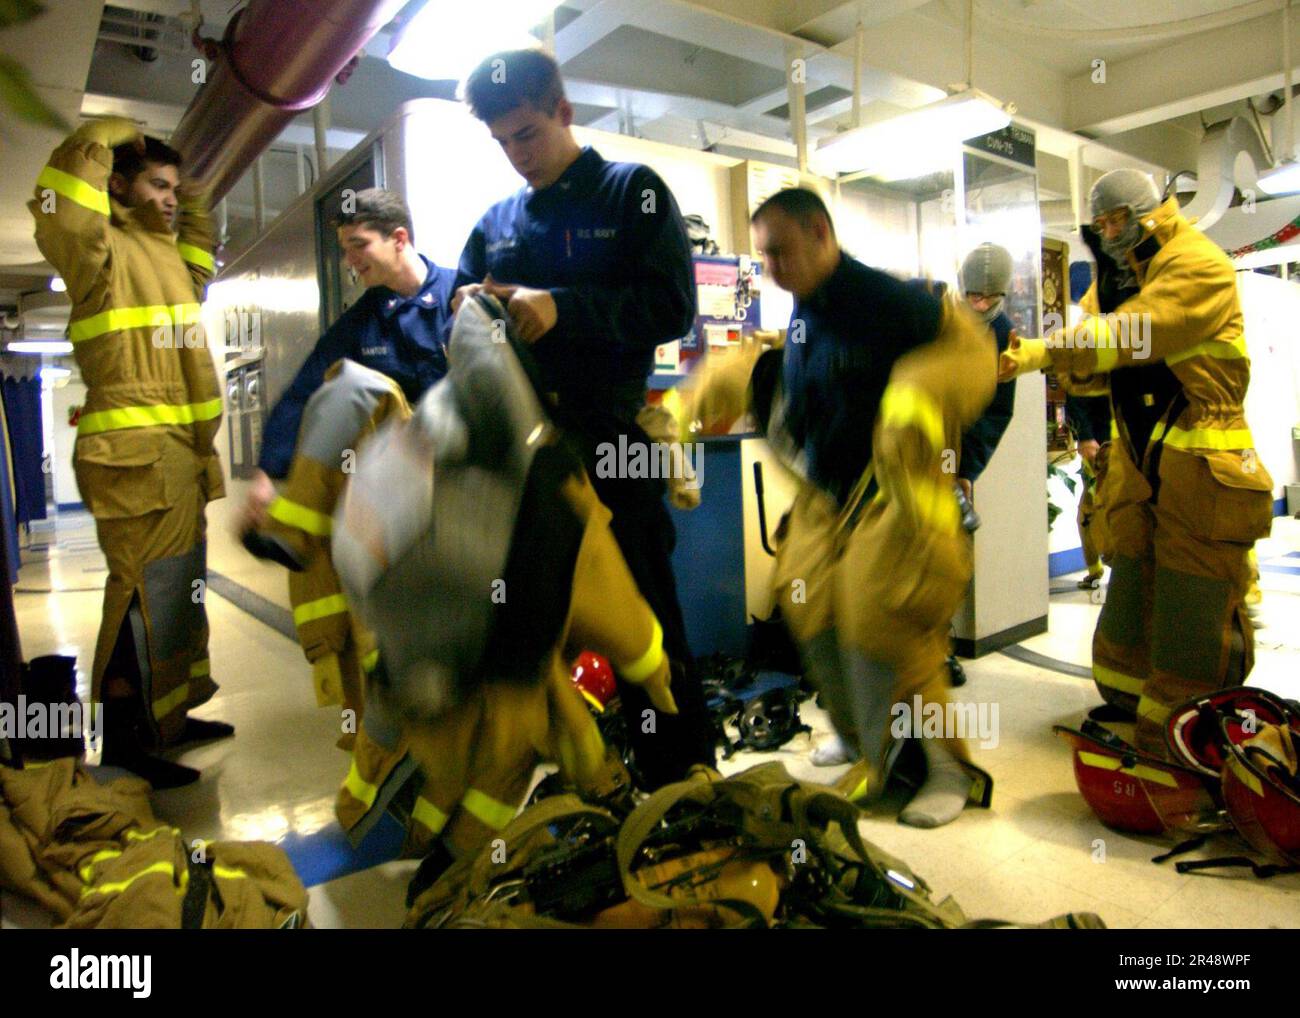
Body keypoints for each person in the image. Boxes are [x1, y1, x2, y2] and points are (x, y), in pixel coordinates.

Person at [676, 188, 997, 827]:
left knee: (886, 628)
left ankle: (945, 768)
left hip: (895, 500)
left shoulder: (887, 300)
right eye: (763, 253)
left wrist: (916, 397)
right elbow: (791, 380)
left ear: (821, 233)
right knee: (808, 607)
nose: (770, 264)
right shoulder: (805, 312)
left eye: (779, 250)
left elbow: (972, 355)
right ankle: (861, 739)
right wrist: (689, 409)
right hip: (830, 505)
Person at [452, 47, 714, 788]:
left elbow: (671, 306)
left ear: (565, 111)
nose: (515, 156)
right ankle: (580, 776)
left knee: (641, 620)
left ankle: (682, 782)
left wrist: (563, 305)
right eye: (501, 142)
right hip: (525, 459)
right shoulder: (496, 221)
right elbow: (465, 298)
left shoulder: (630, 194)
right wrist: (464, 303)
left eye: (527, 134)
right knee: (533, 627)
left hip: (610, 442)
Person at [1000, 169, 1274, 756]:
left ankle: (1187, 733)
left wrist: (1047, 352)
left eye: (1116, 219)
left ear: (1149, 212)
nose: (1108, 232)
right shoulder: (1113, 282)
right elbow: (1099, 366)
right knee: (1131, 593)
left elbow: (1135, 335)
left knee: (1190, 604)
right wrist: (1068, 366)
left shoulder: (1199, 263)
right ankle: (1129, 701)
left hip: (1202, 457)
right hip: (1141, 459)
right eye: (1099, 224)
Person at [29, 117, 229, 787]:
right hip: (135, 452)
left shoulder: (168, 258)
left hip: (179, 455)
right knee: (142, 596)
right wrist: (105, 136)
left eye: (177, 187)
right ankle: (120, 741)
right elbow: (59, 207)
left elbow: (199, 234)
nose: (171, 197)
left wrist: (186, 178)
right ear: (118, 185)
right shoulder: (101, 253)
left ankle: (167, 721)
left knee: (176, 597)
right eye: (157, 183)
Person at [238, 190, 456, 739]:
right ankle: (367, 703)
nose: (350, 261)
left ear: (399, 239)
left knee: (358, 383)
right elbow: (303, 390)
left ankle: (296, 529)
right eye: (343, 249)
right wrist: (269, 471)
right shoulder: (362, 321)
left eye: (358, 246)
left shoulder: (460, 295)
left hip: (460, 461)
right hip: (396, 476)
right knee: (343, 383)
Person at [1064, 393, 1113, 590]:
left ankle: (1102, 569)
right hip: (1102, 449)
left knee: (1093, 513)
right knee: (1089, 514)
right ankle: (1097, 569)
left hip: (1109, 447)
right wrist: (1084, 436)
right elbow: (1077, 395)